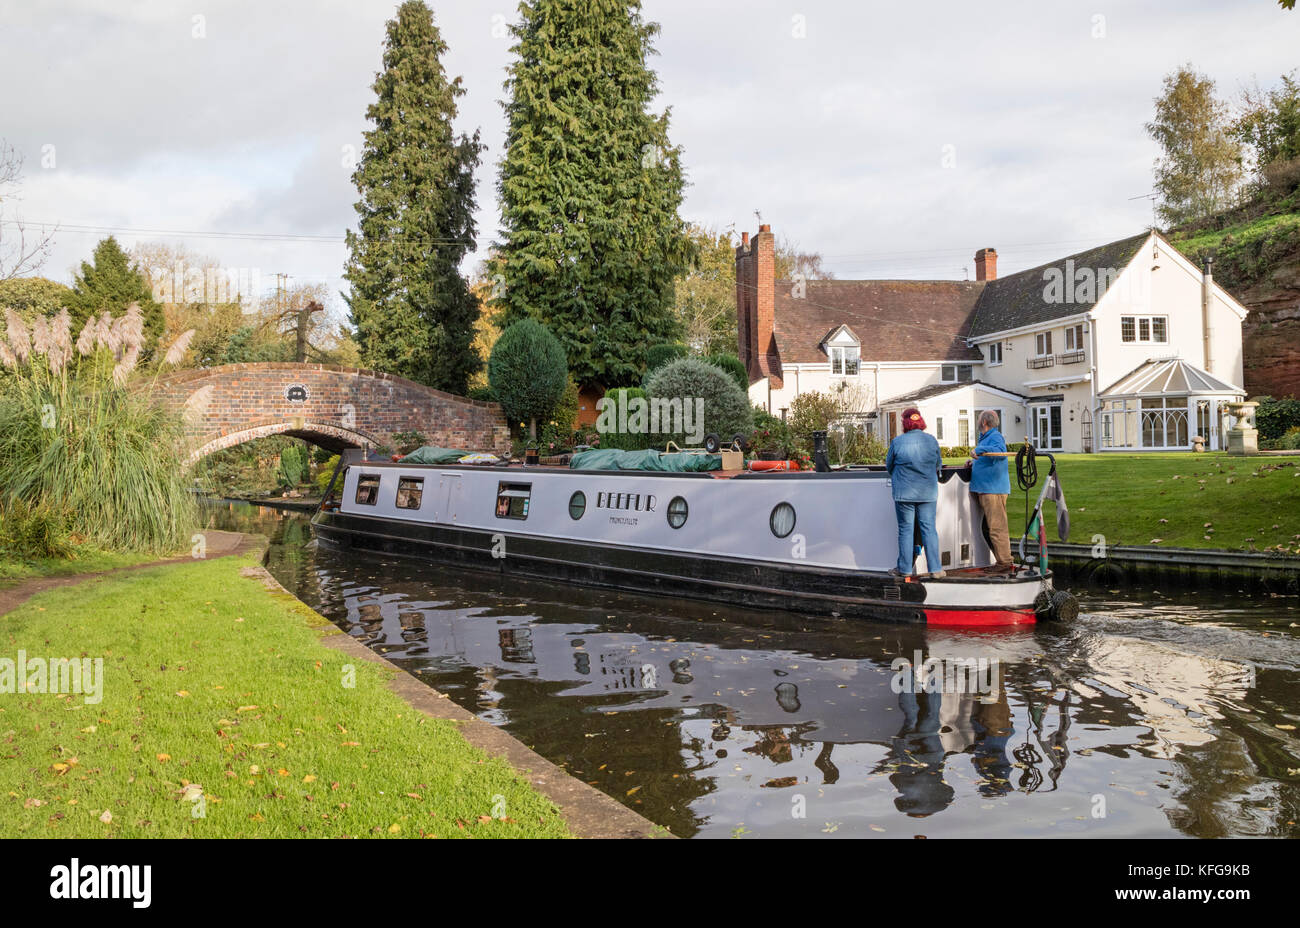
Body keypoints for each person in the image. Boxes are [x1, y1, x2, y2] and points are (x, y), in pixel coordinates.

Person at [885, 407, 944, 578]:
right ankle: (935, 569)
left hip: (904, 493)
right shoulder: (932, 440)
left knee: (906, 530)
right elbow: (938, 464)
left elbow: (889, 466)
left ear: (905, 423)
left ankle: (904, 569)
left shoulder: (897, 442)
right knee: (929, 529)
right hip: (927, 492)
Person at [970, 410, 1015, 574]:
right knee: (990, 526)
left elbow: (1000, 452)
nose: (977, 421)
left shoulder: (994, 437)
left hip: (993, 489)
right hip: (986, 488)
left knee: (997, 526)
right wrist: (974, 462)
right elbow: (988, 456)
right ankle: (1001, 560)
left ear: (983, 422)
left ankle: (1004, 562)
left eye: (978, 419)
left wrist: (980, 449)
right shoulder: (987, 437)